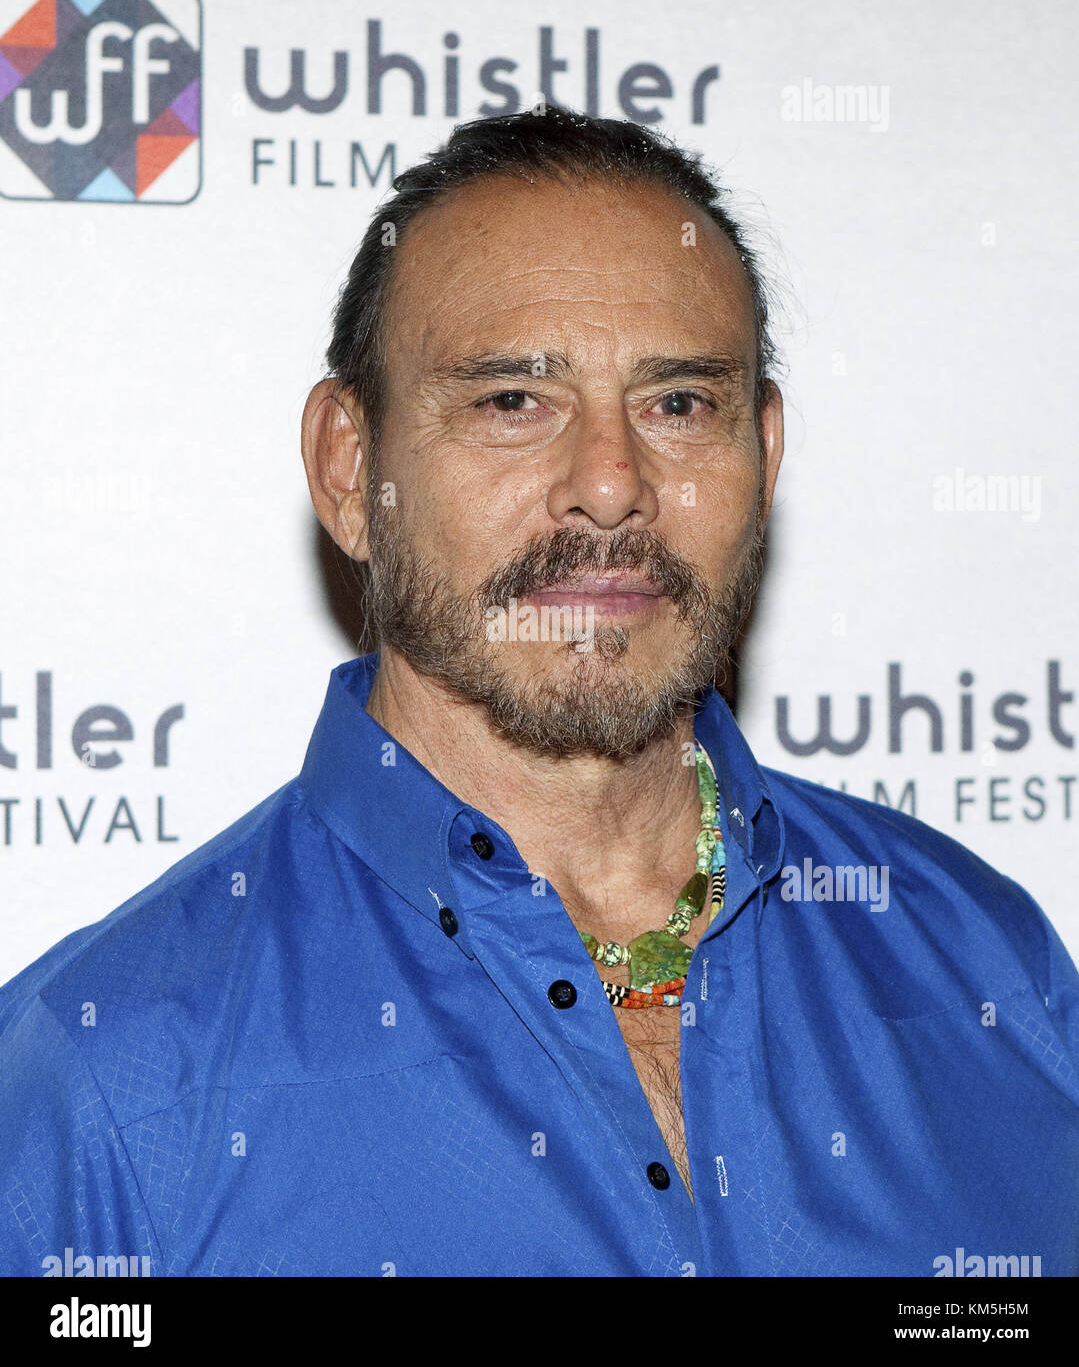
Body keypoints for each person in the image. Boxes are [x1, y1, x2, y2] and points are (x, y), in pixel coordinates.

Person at [1, 107, 1076, 1278]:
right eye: (514, 401)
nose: (611, 484)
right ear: (350, 470)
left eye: (678, 404)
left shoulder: (983, 965)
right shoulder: (104, 1080)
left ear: (763, 459)